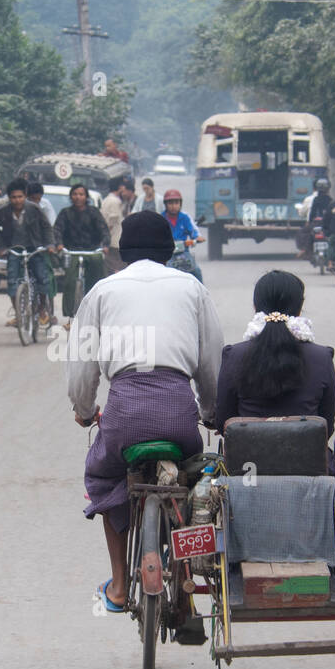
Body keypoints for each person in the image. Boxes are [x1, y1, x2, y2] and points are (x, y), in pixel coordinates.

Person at [67, 211, 224, 614]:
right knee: (192, 481)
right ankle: (185, 581)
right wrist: (210, 411)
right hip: (177, 411)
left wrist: (86, 411)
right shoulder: (191, 288)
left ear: (123, 252)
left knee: (104, 476)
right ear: (170, 251)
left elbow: (82, 366)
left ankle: (119, 586)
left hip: (124, 412)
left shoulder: (102, 291)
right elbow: (210, 362)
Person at [217, 270, 335, 475]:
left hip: (245, 469)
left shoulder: (234, 355)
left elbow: (223, 422)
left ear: (256, 307)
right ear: (300, 308)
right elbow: (327, 424)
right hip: (308, 467)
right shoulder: (322, 357)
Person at [0, 178, 59, 326]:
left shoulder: (34, 209)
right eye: (13, 197)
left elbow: (46, 227)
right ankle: (18, 314)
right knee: (12, 281)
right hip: (14, 250)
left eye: (20, 197)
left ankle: (42, 310)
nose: (17, 200)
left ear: (25, 196)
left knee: (43, 279)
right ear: (9, 198)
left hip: (34, 248)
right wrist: (1, 248)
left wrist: (49, 245)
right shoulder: (3, 212)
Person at [54, 182, 109, 323]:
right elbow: (57, 230)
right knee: (70, 282)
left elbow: (103, 230)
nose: (78, 197)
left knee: (97, 280)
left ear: (86, 197)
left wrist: (105, 245)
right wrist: (59, 244)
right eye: (75, 194)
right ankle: (70, 317)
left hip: (92, 250)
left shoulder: (94, 212)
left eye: (81, 194)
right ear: (71, 196)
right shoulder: (65, 213)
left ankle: (95, 314)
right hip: (72, 251)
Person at [161, 189, 204, 282]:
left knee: (196, 271)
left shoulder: (185, 217)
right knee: (165, 272)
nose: (173, 206)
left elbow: (194, 230)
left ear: (180, 204)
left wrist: (197, 237)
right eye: (170, 203)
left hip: (183, 253)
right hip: (167, 254)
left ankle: (203, 295)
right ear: (166, 205)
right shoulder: (161, 218)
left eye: (176, 203)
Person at [100, 176, 128, 275]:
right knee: (117, 270)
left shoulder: (106, 199)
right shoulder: (115, 201)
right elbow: (111, 222)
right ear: (120, 187)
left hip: (110, 241)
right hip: (115, 241)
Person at [301, 178, 333, 258]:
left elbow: (312, 213)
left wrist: (310, 222)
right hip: (328, 224)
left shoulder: (315, 199)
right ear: (328, 188)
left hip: (316, 223)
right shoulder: (330, 200)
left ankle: (305, 250)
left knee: (304, 233)